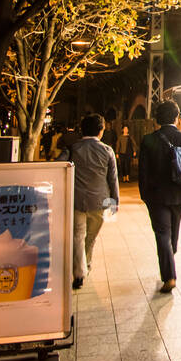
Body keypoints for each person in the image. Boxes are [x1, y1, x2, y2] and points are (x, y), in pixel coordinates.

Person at [138, 100, 181, 294]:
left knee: (163, 234)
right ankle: (169, 260)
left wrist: (145, 195)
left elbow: (143, 171)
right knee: (172, 232)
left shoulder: (148, 140)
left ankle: (169, 276)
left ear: (157, 118)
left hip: (156, 196)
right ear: (177, 117)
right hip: (180, 194)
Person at [68, 113, 119, 289]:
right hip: (101, 202)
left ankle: (79, 271)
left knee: (78, 236)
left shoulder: (73, 148)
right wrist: (114, 203)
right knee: (91, 236)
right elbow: (113, 180)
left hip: (76, 200)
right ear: (101, 130)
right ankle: (84, 266)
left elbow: (60, 167)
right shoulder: (107, 150)